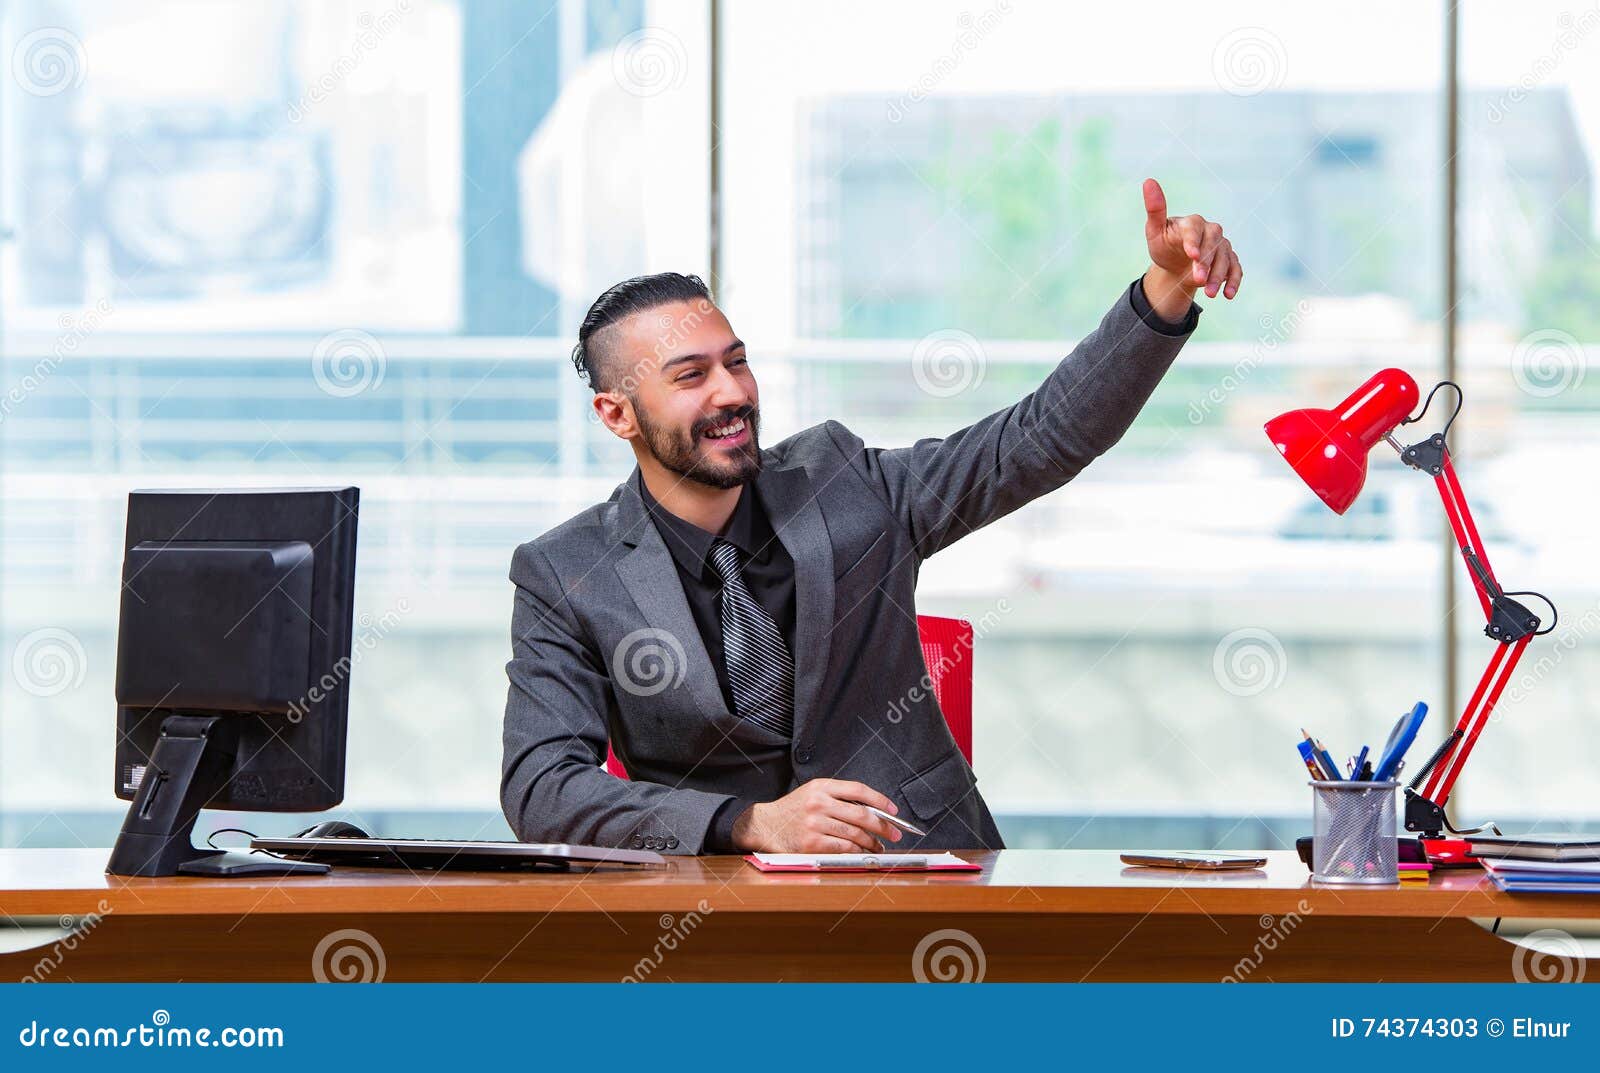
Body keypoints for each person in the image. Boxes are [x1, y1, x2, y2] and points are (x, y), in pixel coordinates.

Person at [501, 178, 1242, 854]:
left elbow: (1039, 440)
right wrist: (750, 822)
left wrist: (1166, 291)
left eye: (737, 360)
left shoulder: (843, 483)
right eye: (691, 376)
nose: (732, 392)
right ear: (616, 413)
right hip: (716, 915)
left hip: (926, 879)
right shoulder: (567, 572)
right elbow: (541, 787)